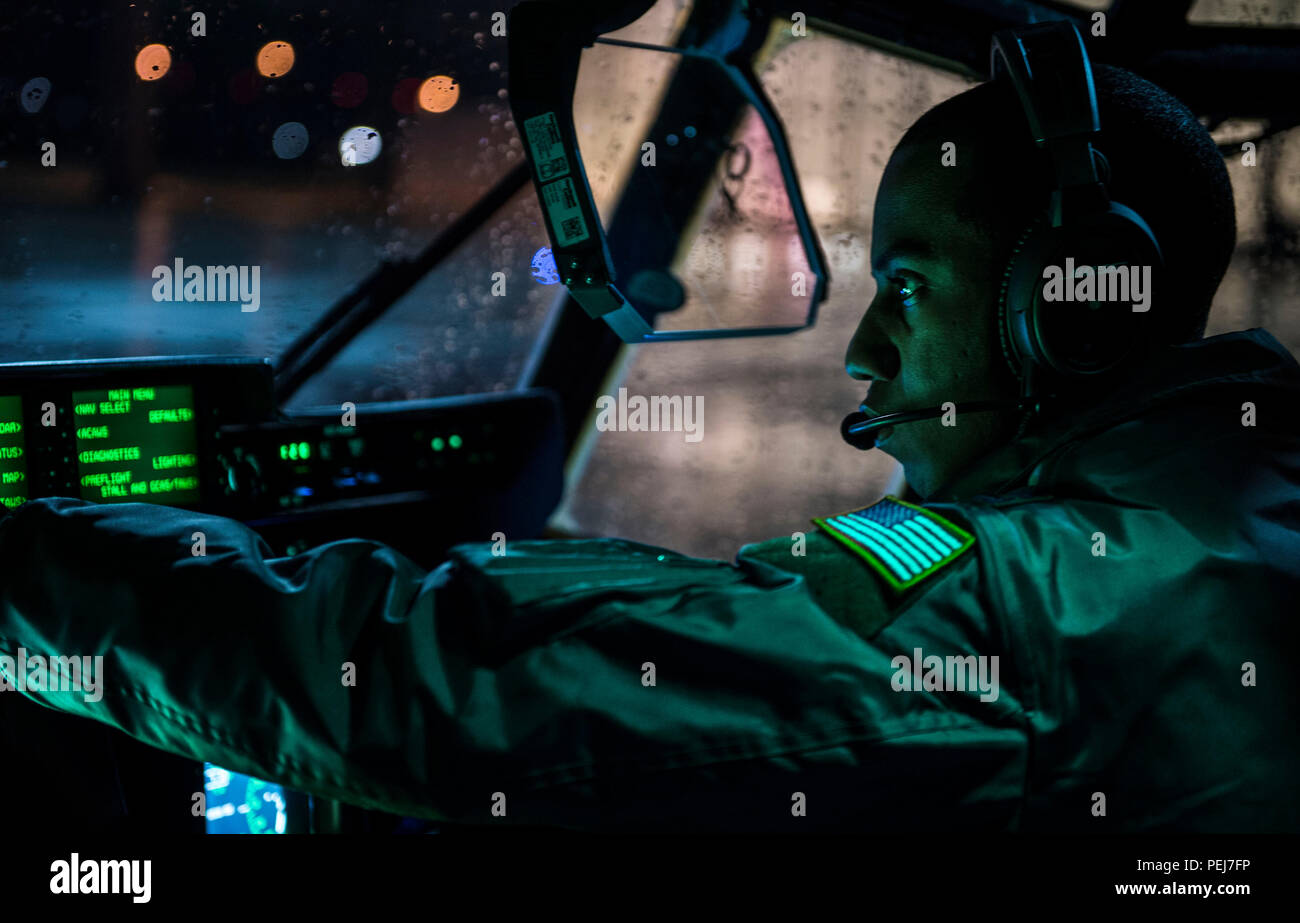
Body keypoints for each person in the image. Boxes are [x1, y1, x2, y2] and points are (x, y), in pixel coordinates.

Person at [1, 45, 1296, 833]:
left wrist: (29, 582)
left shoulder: (1025, 616)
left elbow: (441, 693)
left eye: (909, 289)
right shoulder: (1227, 525)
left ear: (1066, 309)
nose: (864, 354)